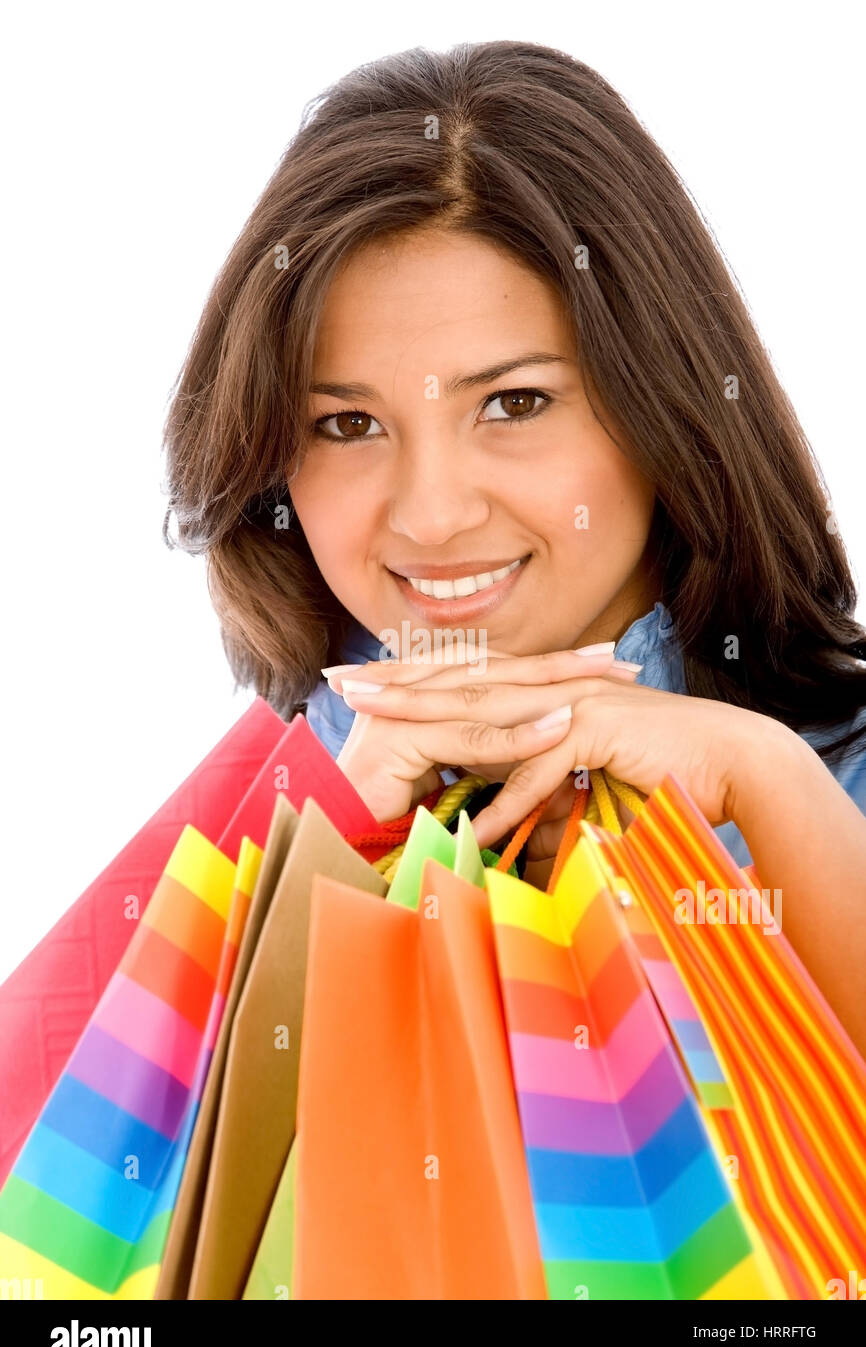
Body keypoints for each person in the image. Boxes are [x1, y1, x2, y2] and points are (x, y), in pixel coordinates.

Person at [161, 40, 866, 1055]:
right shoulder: (234, 839)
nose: (432, 515)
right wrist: (321, 866)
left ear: (665, 406)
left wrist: (765, 784)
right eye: (346, 425)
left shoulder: (823, 780)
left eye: (514, 402)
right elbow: (78, 1206)